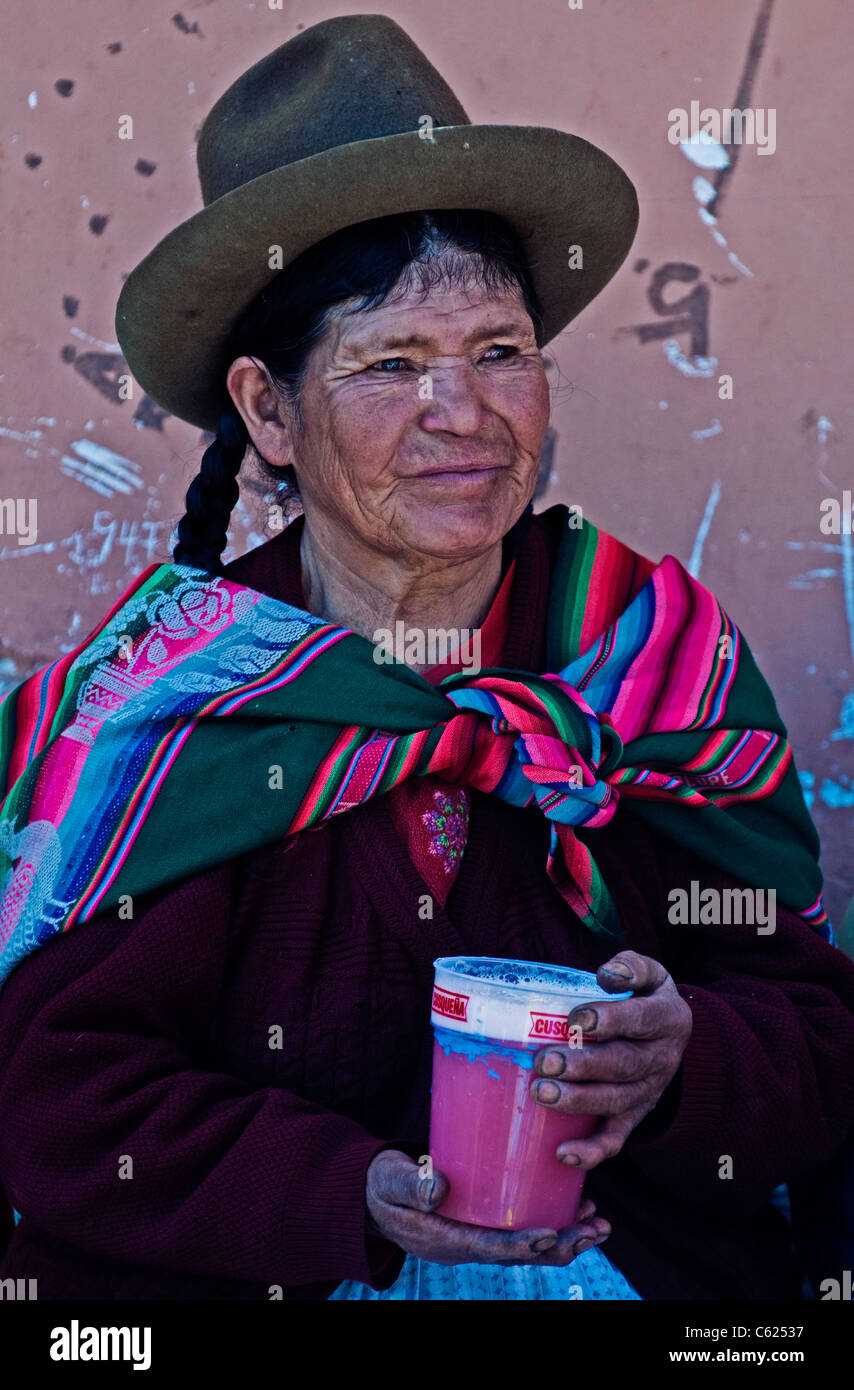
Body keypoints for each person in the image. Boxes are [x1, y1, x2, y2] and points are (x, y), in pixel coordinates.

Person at [1, 14, 853, 1303]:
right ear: (268, 412)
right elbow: (60, 1094)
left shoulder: (645, 656)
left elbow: (818, 1033)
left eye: (500, 352)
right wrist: (344, 1196)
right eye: (392, 363)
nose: (463, 414)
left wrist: (691, 1057)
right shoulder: (174, 708)